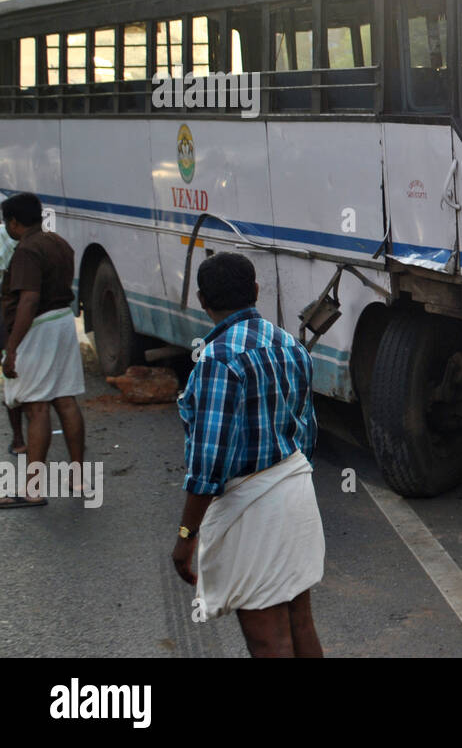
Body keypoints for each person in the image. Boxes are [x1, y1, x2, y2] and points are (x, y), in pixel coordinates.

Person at [171, 252, 325, 657]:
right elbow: (306, 433)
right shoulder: (291, 345)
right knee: (300, 620)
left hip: (252, 508)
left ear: (202, 300)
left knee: (267, 636)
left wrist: (187, 536)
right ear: (256, 290)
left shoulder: (216, 359)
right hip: (294, 494)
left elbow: (209, 464)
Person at [0, 192, 86, 508]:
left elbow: (28, 299)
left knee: (36, 406)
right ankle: (78, 477)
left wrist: (12, 347)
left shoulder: (27, 251)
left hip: (37, 327)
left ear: (14, 222)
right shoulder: (58, 242)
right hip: (63, 322)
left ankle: (32, 489)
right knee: (65, 399)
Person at [0, 219, 25, 455]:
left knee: (10, 374)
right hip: (22, 310)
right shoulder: (21, 238)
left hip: (6, 310)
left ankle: (18, 439)